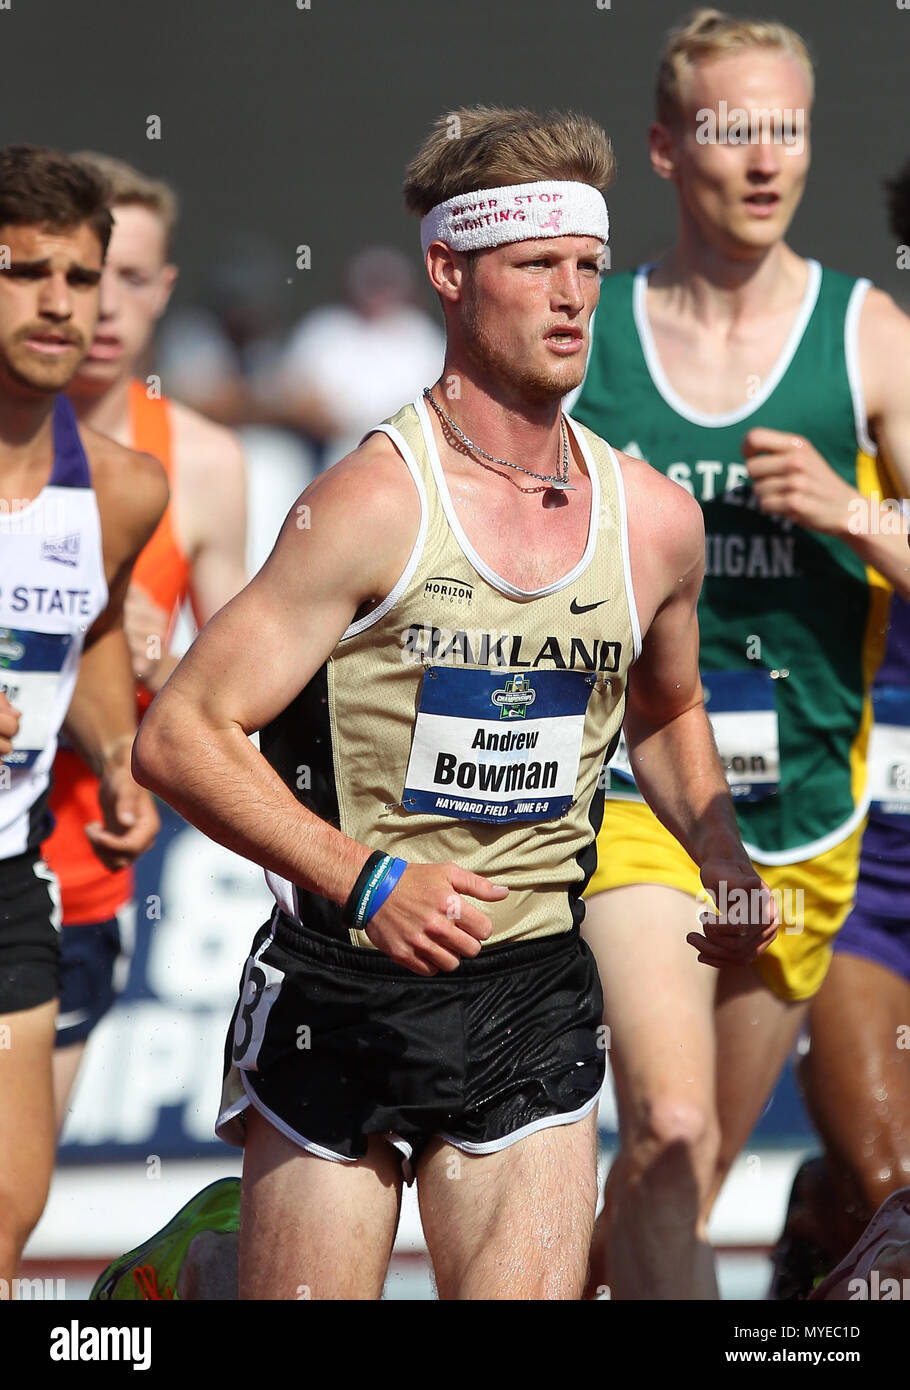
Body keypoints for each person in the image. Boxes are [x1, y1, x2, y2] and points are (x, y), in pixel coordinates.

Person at [122, 103, 775, 1302]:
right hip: (343, 990)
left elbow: (667, 712)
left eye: (589, 265)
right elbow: (181, 734)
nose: (572, 298)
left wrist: (724, 857)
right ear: (448, 269)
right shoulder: (369, 502)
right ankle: (202, 1274)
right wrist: (368, 878)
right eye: (536, 267)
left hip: (527, 991)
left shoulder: (650, 522)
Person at [569, 8, 910, 1300]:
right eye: (729, 129)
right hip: (635, 791)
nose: (763, 160)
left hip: (804, 814)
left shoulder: (865, 336)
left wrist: (847, 509)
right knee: (665, 1126)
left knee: (680, 1178)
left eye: (787, 129)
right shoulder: (589, 332)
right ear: (664, 149)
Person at [40, 153, 247, 1130]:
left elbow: (247, 700)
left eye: (129, 277)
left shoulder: (200, 463)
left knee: (9, 1206)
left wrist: (152, 665)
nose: (98, 305)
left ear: (164, 288)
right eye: (81, 272)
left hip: (82, 881)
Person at [0, 144, 166, 1282]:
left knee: (11, 1201)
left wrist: (116, 754)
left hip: (13, 870)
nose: (58, 304)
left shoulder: (121, 487)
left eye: (79, 275)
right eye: (22, 273)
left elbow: (94, 624)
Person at [769, 157, 910, 1299]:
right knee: (896, 1185)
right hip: (868, 852)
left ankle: (819, 1218)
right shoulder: (858, 384)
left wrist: (852, 511)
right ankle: (833, 1212)